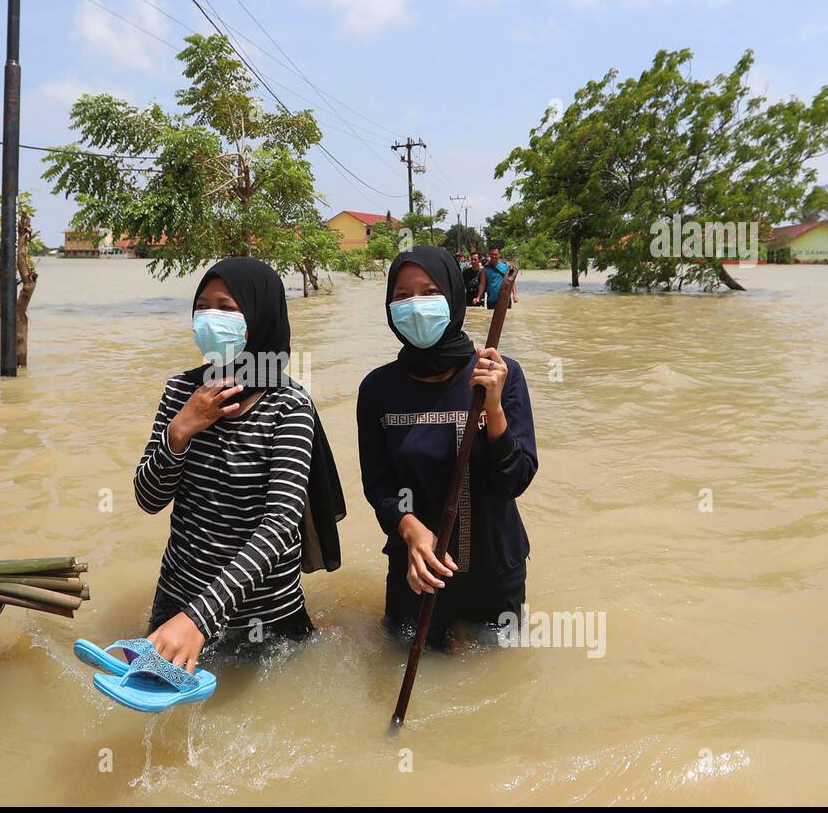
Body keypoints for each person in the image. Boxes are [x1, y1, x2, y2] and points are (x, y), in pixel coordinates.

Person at [133, 257, 344, 672]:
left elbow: (280, 525)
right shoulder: (180, 390)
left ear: (260, 316)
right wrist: (179, 433)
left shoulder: (288, 405)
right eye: (203, 306)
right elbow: (148, 499)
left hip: (264, 616)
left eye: (227, 308)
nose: (211, 318)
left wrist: (201, 617)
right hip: (177, 599)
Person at [356, 246, 537, 648]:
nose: (415, 306)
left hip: (495, 571)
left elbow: (517, 479)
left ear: (454, 296)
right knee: (402, 668)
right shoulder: (377, 389)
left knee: (499, 687)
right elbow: (378, 484)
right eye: (402, 296)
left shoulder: (499, 373)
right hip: (415, 571)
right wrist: (410, 528)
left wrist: (493, 407)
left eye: (429, 291)